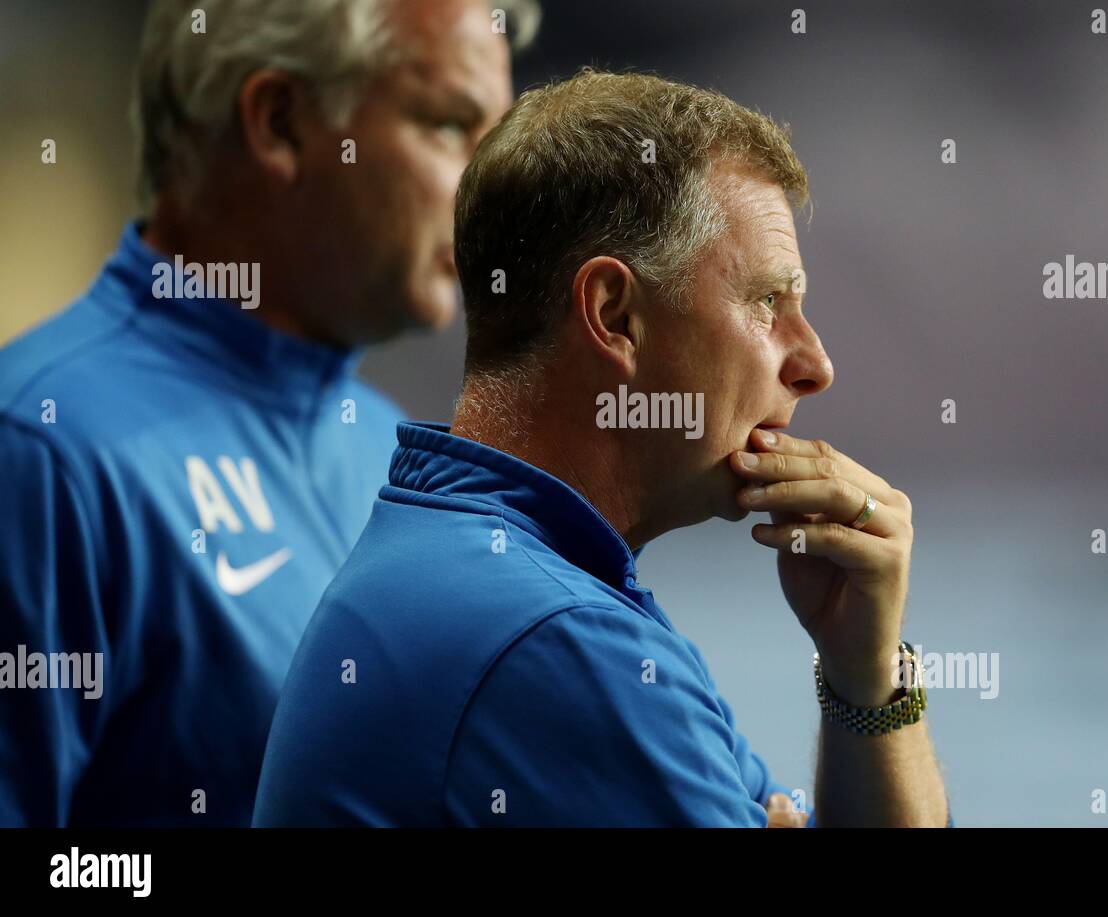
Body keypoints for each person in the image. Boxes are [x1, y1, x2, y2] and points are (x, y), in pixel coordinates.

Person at [254, 69, 953, 827]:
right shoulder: (557, 641)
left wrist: (865, 674)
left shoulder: (467, 561)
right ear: (615, 314)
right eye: (765, 303)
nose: (814, 363)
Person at [0, 0, 528, 826]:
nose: (494, 200)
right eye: (449, 126)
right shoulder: (41, 448)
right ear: (280, 123)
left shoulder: (401, 458)